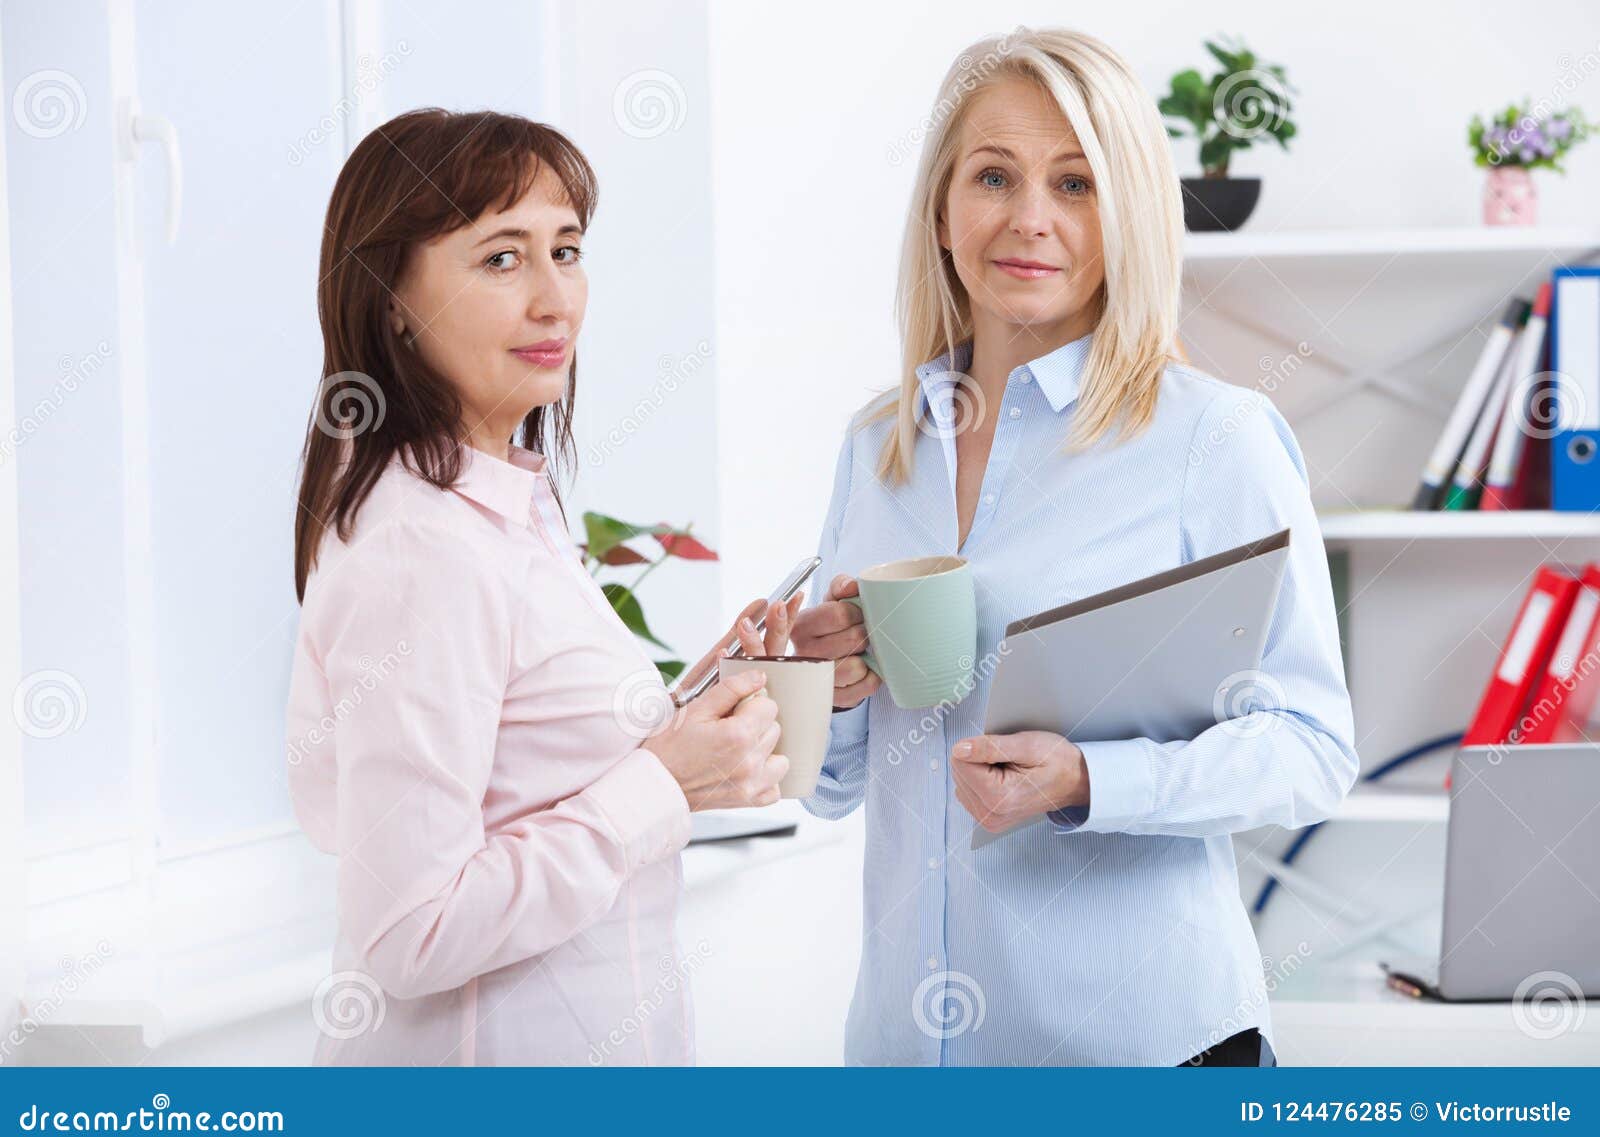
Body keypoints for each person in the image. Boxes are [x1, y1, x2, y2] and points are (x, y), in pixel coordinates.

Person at [740, 28, 1356, 1066]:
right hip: (904, 1053)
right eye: (993, 175)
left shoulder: (1212, 438)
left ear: (1129, 218)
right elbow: (835, 786)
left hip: (1138, 1056)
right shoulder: (876, 447)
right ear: (942, 210)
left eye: (1075, 183)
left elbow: (1311, 749)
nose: (1030, 219)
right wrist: (821, 684)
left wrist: (1087, 780)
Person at [285, 109, 794, 1065]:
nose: (557, 300)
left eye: (567, 250)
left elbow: (529, 770)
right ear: (391, 297)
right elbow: (412, 932)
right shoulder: (421, 550)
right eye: (501, 259)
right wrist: (663, 782)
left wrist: (692, 716)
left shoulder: (508, 504)